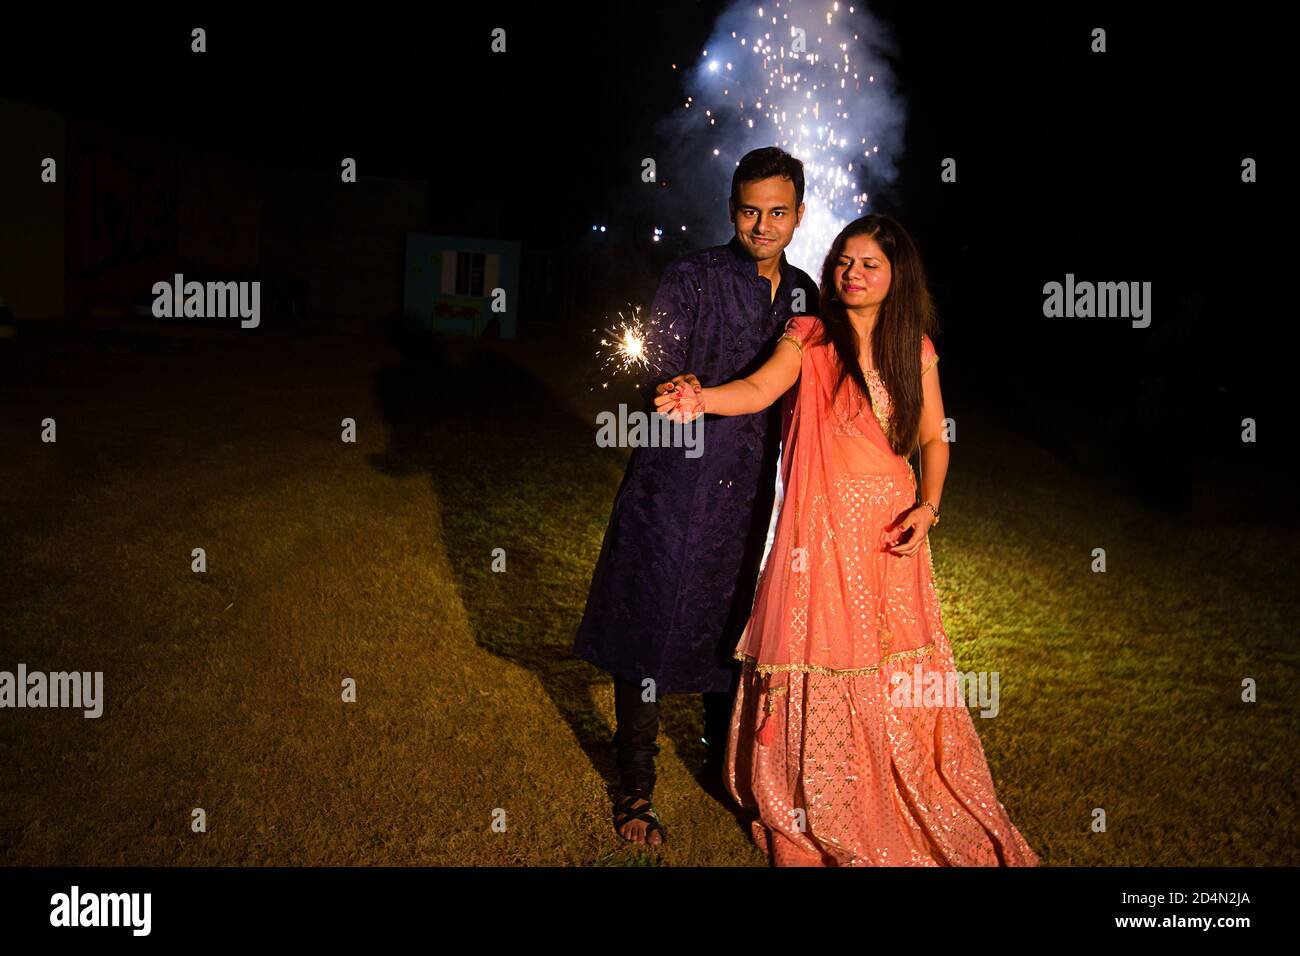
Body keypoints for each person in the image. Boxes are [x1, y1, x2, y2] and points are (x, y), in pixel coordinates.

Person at [656, 213, 1040, 866]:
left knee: (887, 661)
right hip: (819, 529)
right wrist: (701, 398)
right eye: (844, 262)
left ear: (896, 276)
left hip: (888, 528)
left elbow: (932, 438)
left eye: (869, 265)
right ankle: (819, 796)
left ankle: (897, 779)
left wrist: (929, 507)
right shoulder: (807, 334)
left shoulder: (912, 346)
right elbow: (757, 390)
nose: (853, 274)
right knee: (823, 654)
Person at [574, 147, 819, 845]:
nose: (762, 225)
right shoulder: (693, 276)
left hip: (752, 493)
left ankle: (725, 770)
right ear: (732, 209)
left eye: (778, 212)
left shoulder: (805, 293)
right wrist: (671, 386)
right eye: (749, 210)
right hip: (675, 481)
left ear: (800, 214)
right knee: (652, 616)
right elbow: (659, 359)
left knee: (730, 624)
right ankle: (635, 788)